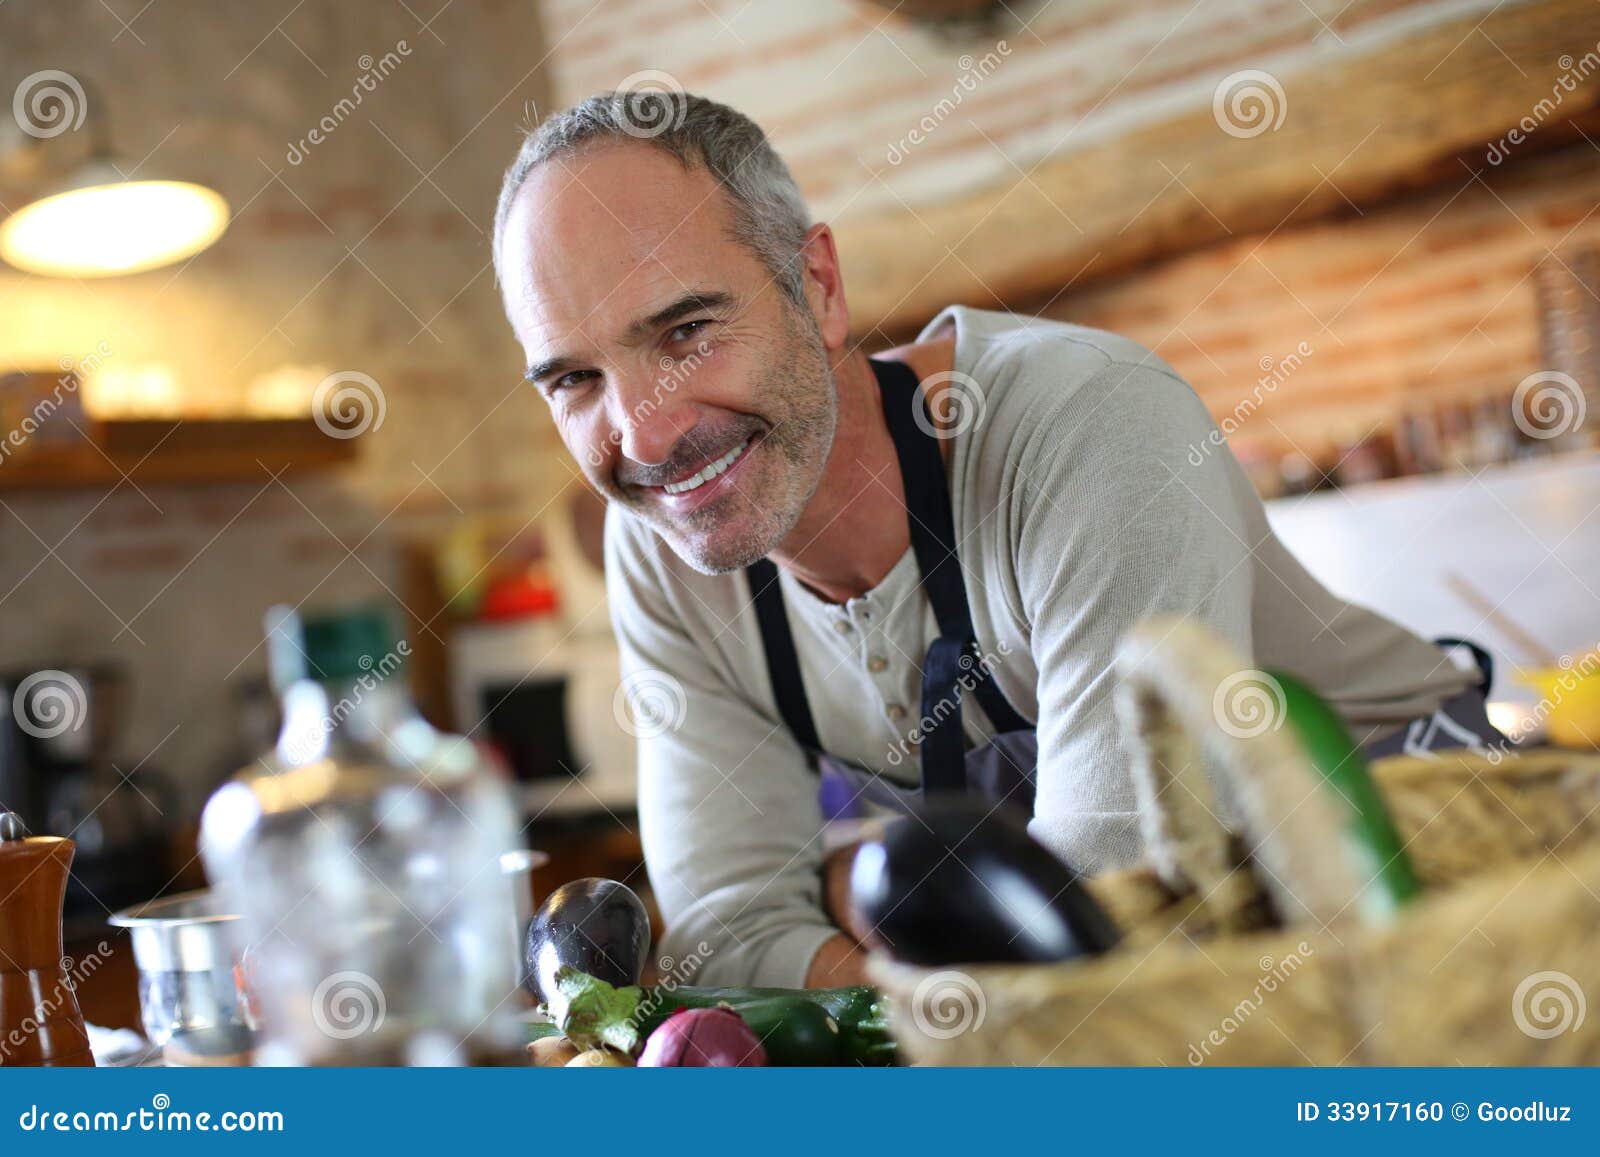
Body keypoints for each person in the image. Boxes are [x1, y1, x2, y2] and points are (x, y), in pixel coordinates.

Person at [492, 90, 1490, 990]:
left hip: (1445, 884)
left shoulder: (1085, 424)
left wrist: (847, 895)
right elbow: (730, 929)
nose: (645, 435)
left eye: (686, 332)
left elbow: (1106, 912)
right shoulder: (664, 547)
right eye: (573, 379)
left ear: (819, 286)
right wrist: (919, 978)